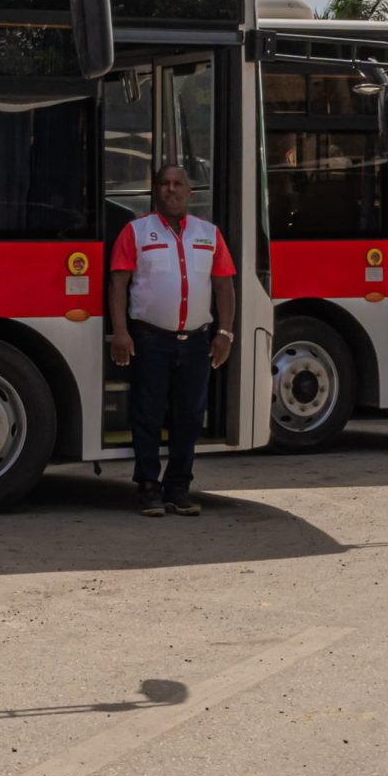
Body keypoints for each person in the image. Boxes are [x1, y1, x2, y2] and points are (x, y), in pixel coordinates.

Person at [110, 163, 236, 515]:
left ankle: (178, 488)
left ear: (189, 192)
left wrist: (225, 333)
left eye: (178, 183)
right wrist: (120, 332)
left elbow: (224, 285)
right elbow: (118, 283)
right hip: (150, 339)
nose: (171, 189)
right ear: (155, 190)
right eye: (164, 183)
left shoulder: (209, 234)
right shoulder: (136, 232)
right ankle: (148, 487)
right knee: (147, 415)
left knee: (190, 417)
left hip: (196, 342)